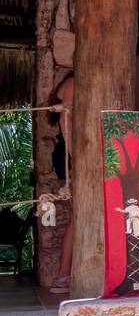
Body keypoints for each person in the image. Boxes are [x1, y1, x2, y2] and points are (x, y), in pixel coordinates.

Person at [47, 74, 75, 293]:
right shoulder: (73, 83)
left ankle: (65, 275)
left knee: (78, 219)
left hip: (72, 156)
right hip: (71, 158)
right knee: (77, 219)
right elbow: (67, 121)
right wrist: (77, 157)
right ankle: (63, 276)